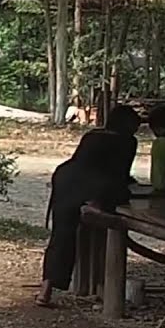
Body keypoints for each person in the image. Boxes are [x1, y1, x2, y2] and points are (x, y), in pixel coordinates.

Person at [36, 105, 142, 307]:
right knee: (116, 203)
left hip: (66, 178)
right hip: (94, 185)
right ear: (128, 125)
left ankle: (45, 290)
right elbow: (120, 175)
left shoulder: (92, 135)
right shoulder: (128, 142)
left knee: (61, 234)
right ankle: (102, 287)